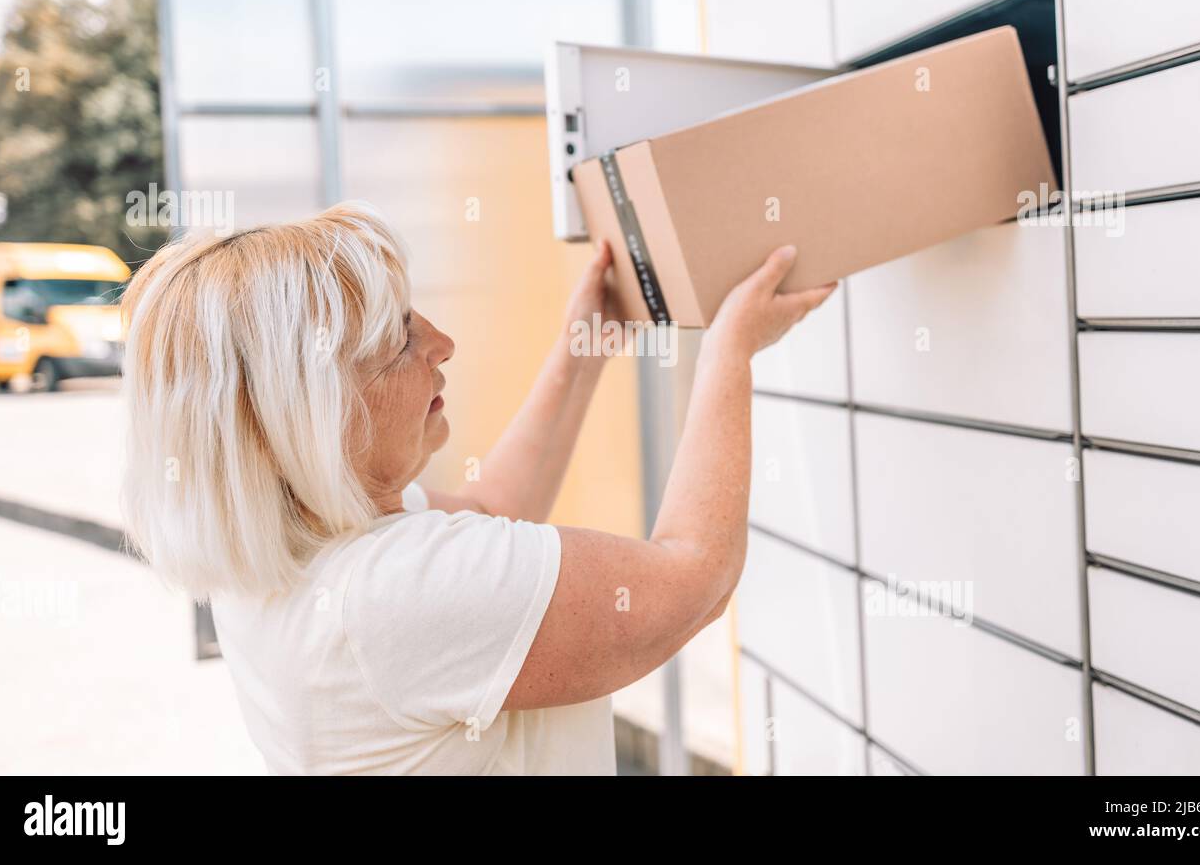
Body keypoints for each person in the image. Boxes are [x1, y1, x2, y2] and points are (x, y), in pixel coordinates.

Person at [120, 202, 835, 774]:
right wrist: (731, 349)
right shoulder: (388, 595)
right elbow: (693, 581)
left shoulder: (283, 548)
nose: (441, 343)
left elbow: (493, 510)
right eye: (398, 339)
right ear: (307, 413)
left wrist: (584, 346)